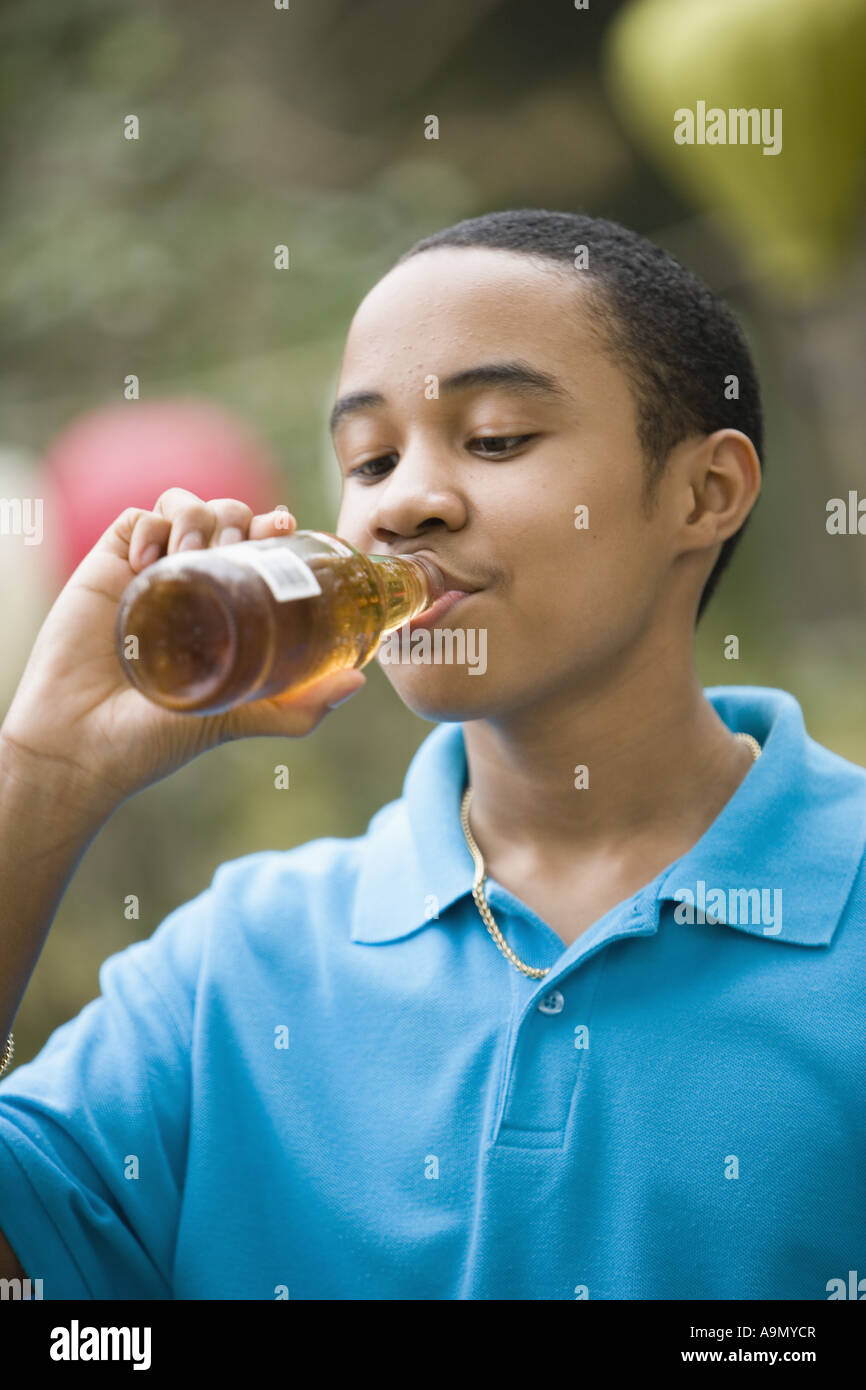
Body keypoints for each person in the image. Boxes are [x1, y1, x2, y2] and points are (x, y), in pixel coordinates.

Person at [1, 209, 863, 1301]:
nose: (403, 501)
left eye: (495, 437)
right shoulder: (236, 966)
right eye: (367, 459)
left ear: (704, 492)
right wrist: (42, 777)